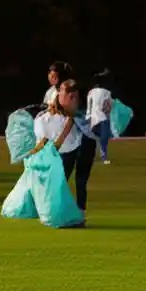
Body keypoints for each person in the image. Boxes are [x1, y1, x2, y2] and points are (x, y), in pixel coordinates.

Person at [32, 77, 95, 213]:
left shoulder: (78, 112)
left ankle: (78, 211)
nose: (59, 94)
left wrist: (55, 145)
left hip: (83, 144)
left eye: (62, 91)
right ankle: (62, 209)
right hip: (75, 145)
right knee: (64, 179)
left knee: (79, 180)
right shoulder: (70, 110)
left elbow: (70, 126)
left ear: (71, 96)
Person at [85, 73, 114, 164]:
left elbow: (108, 106)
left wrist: (88, 115)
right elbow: (108, 106)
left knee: (102, 138)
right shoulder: (94, 92)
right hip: (98, 118)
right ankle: (99, 156)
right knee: (100, 138)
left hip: (99, 118)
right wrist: (88, 115)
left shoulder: (105, 92)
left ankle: (103, 156)